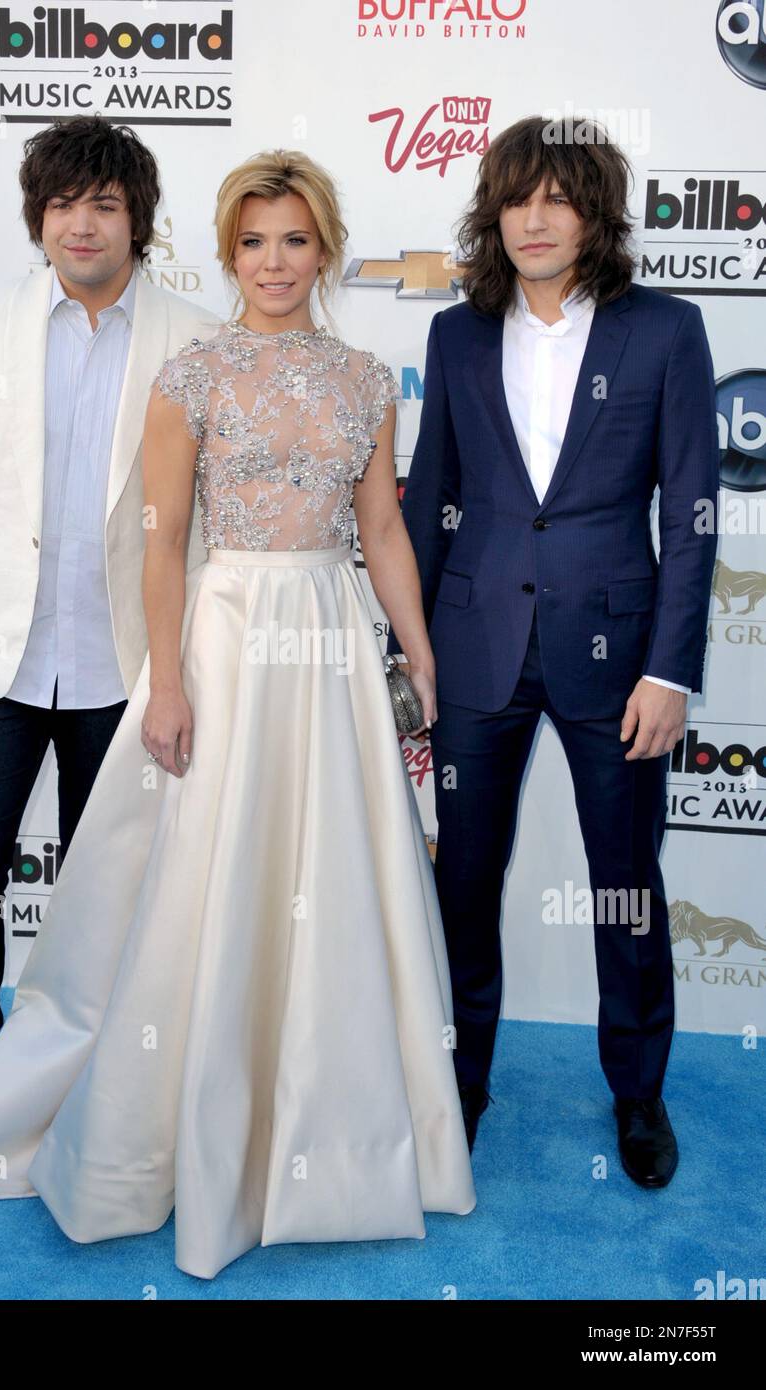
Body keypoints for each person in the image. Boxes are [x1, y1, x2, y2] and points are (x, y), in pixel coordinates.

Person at [0, 150, 476, 1280]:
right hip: (224, 638)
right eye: (255, 242)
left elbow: (385, 531)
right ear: (228, 253)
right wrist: (166, 680)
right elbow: (163, 540)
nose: (275, 262)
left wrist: (416, 648)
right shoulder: (196, 374)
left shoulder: (366, 376)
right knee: (200, 880)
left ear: (325, 249)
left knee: (333, 879)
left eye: (296, 241)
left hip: (322, 644)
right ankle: (140, 1116)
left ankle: (325, 1131)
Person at [0, 116, 219, 1164]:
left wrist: (184, 667)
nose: (82, 223)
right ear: (40, 218)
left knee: (109, 887)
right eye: (64, 204)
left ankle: (97, 1077)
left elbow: (202, 521)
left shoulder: (193, 336)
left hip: (127, 664)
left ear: (138, 222)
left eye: (105, 204)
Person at [386, 115, 719, 1186]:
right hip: (474, 650)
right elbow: (430, 495)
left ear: (594, 213)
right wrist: (415, 659)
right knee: (463, 880)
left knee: (624, 884)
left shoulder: (663, 332)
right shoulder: (456, 334)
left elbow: (692, 509)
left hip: (618, 660)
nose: (535, 218)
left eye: (558, 197)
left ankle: (637, 1093)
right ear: (495, 212)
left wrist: (669, 669)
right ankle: (458, 1081)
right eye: (517, 197)